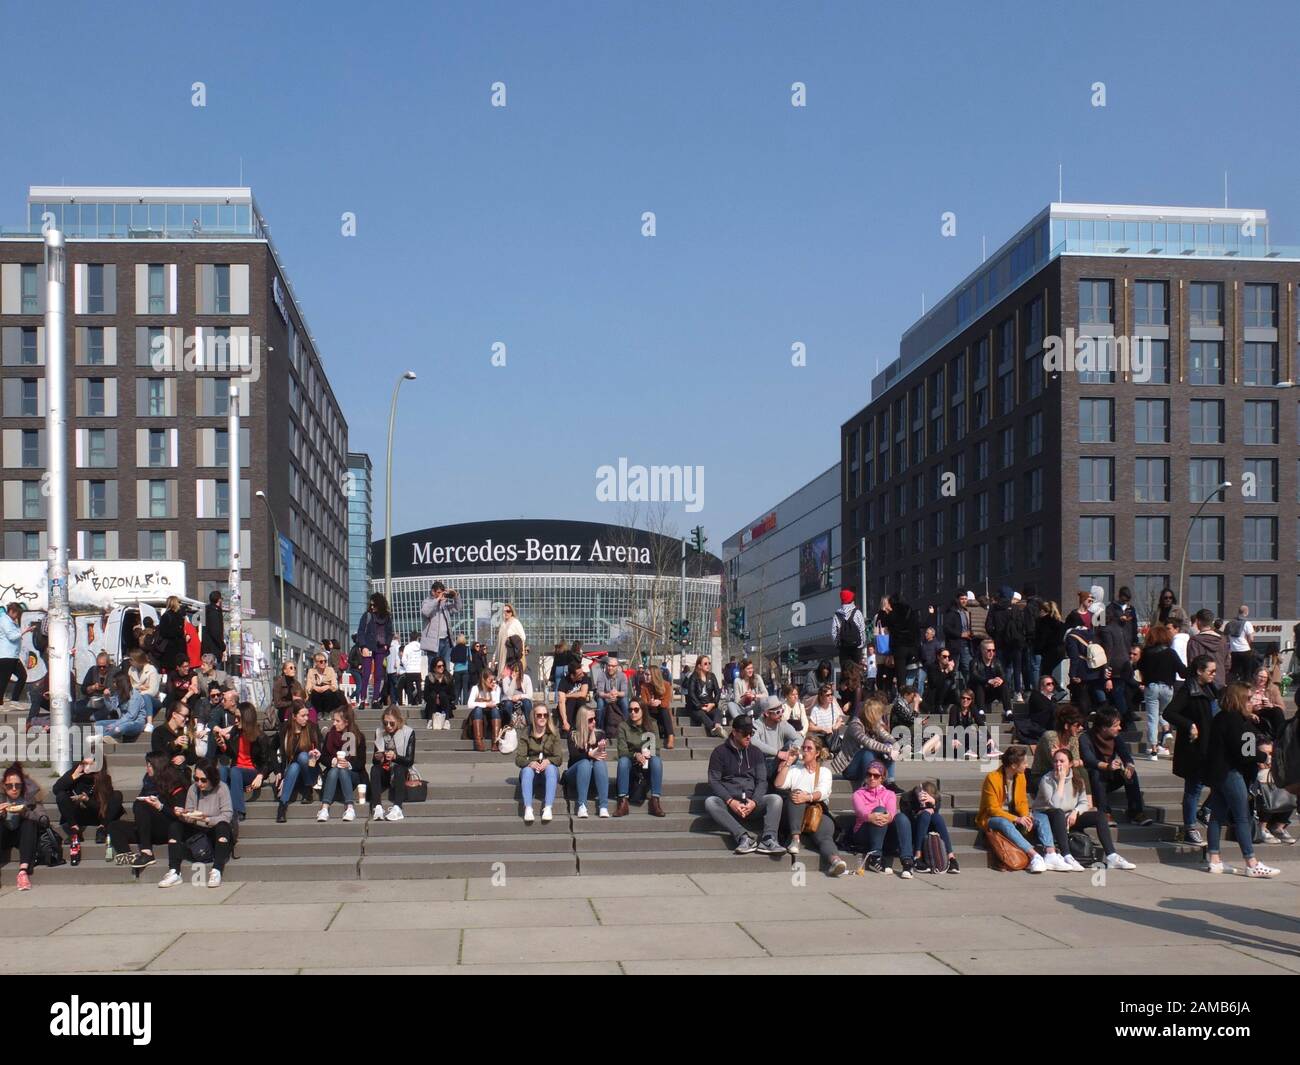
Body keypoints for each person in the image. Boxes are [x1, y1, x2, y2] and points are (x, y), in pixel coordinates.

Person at [1202, 682, 1279, 876]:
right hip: (1231, 772)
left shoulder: (1221, 717)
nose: (1251, 700)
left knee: (1217, 816)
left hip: (1218, 772)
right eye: (1248, 697)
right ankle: (1251, 862)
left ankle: (1215, 859)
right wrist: (1264, 757)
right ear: (1238, 699)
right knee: (1242, 816)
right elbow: (1245, 752)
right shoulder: (1237, 721)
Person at [1033, 747, 1135, 870]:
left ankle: (1111, 856)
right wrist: (1060, 781)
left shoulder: (1077, 779)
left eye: (1061, 761)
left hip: (1069, 817)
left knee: (1100, 816)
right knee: (1059, 812)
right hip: (1051, 817)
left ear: (1070, 764)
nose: (1058, 764)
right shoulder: (1047, 779)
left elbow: (1084, 802)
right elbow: (1055, 805)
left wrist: (1075, 812)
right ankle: (1067, 856)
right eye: (1055, 761)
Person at [703, 715, 783, 854]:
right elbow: (714, 781)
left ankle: (768, 839)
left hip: (752, 804)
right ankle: (743, 837)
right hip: (730, 806)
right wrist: (730, 801)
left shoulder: (756, 752)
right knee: (711, 802)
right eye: (745, 733)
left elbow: (762, 781)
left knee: (776, 799)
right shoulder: (719, 752)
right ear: (734, 732)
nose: (749, 737)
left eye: (751, 733)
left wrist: (754, 801)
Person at [775, 734, 848, 876]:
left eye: (809, 748)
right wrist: (788, 762)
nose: (805, 751)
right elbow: (778, 784)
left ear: (817, 753)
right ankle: (795, 839)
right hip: (793, 812)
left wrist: (807, 797)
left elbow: (823, 792)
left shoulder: (824, 772)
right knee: (796, 795)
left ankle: (835, 860)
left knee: (825, 835)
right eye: (804, 748)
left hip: (816, 812)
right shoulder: (795, 769)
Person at [159, 757, 234, 888]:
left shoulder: (222, 788)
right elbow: (189, 814)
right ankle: (174, 871)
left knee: (223, 827)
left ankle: (217, 870)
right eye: (196, 778)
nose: (199, 783)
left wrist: (207, 819)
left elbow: (227, 815)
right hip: (196, 829)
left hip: (213, 828)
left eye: (203, 780)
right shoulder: (193, 789)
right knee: (175, 826)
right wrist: (183, 814)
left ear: (212, 778)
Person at [110, 753, 187, 872]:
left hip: (166, 828)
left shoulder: (175, 785)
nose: (147, 769)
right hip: (146, 828)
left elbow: (179, 816)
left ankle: (147, 852)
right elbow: (139, 803)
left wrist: (160, 806)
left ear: (158, 766)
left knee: (142, 806)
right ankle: (128, 855)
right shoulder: (149, 782)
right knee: (114, 826)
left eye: (149, 766)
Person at [976, 746, 1047, 873]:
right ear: (1014, 765)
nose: (1027, 765)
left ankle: (1051, 853)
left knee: (1042, 818)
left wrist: (1026, 816)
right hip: (992, 818)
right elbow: (993, 810)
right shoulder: (992, 778)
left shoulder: (1020, 776)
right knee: (1005, 823)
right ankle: (1034, 855)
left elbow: (1022, 801)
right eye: (1024, 763)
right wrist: (1017, 819)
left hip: (1014, 815)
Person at [1079, 708, 1155, 826]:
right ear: (1104, 727)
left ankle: (1136, 812)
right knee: (1095, 772)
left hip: (1109, 776)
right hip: (1092, 782)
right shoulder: (1085, 737)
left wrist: (1129, 765)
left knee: (1131, 773)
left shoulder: (1116, 737)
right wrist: (1107, 766)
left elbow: (1125, 754)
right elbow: (1089, 760)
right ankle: (1104, 813)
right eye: (1116, 726)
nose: (1119, 728)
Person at [850, 761, 914, 876]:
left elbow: (891, 813)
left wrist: (887, 817)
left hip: (884, 832)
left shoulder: (890, 794)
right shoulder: (858, 794)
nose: (872, 778)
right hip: (863, 833)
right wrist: (871, 816)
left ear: (882, 778)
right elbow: (861, 812)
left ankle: (907, 861)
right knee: (879, 810)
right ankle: (875, 857)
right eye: (869, 774)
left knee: (901, 817)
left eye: (876, 776)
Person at [217, 702, 278, 822]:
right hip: (237, 770)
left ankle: (238, 810)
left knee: (234, 771)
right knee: (223, 770)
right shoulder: (236, 732)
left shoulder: (261, 737)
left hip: (252, 772)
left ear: (247, 718)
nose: (235, 720)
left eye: (238, 718)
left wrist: (261, 776)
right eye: (235, 717)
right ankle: (220, 806)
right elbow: (233, 754)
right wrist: (224, 746)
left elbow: (268, 761)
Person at [52, 756, 123, 856]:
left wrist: (87, 800)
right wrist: (72, 777)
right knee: (61, 796)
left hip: (97, 815)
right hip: (77, 816)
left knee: (117, 795)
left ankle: (102, 828)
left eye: (91, 764)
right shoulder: (75, 772)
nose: (87, 767)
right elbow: (56, 789)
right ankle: (74, 830)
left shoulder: (104, 778)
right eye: (85, 763)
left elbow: (103, 807)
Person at [832, 691, 898, 786]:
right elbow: (868, 742)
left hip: (864, 765)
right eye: (879, 713)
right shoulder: (855, 725)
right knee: (867, 751)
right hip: (849, 768)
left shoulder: (874, 724)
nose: (881, 716)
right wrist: (888, 749)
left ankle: (890, 783)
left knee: (889, 747)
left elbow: (886, 735)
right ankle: (867, 783)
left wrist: (895, 745)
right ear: (873, 714)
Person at [1137, 622, 1182, 759]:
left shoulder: (1146, 653)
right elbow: (1182, 670)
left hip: (1151, 687)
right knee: (1164, 712)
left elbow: (1140, 666)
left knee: (1152, 717)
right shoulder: (1171, 653)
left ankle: (1154, 749)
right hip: (1167, 687)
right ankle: (1167, 732)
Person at [0, 763, 49, 890]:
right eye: (10, 786)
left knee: (29, 823)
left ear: (23, 785)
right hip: (4, 835)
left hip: (22, 837)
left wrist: (26, 813)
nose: (14, 789)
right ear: (4, 786)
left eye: (18, 785)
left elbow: (44, 820)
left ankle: (23, 871)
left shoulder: (30, 798)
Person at [614, 699, 665, 817]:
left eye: (636, 710)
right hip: (631, 765)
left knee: (657, 760)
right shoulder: (623, 726)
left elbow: (656, 749)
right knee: (622, 761)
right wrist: (635, 755)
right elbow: (622, 751)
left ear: (643, 711)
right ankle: (622, 801)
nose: (633, 712)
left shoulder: (652, 724)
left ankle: (655, 801)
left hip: (648, 764)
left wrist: (646, 755)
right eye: (630, 710)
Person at [516, 704, 563, 823]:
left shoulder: (554, 732)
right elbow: (519, 759)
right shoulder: (526, 732)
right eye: (539, 715)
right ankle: (528, 808)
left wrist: (548, 761)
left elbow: (559, 758)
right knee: (526, 770)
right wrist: (530, 763)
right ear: (533, 717)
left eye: (545, 715)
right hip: (533, 771)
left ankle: (548, 807)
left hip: (549, 771)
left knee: (551, 768)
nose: (542, 718)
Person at [276, 704, 323, 823]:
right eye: (303, 715)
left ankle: (308, 788)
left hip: (310, 769)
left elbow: (319, 748)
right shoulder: (285, 729)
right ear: (294, 716)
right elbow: (273, 749)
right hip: (293, 771)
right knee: (294, 766)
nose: (306, 718)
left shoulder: (312, 727)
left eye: (307, 715)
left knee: (302, 756)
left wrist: (317, 754)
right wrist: (279, 772)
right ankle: (282, 805)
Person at [318, 707, 365, 822]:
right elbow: (323, 757)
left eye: (337, 721)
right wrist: (333, 761)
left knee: (343, 770)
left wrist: (348, 764)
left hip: (352, 774)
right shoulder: (330, 735)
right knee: (335, 770)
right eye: (334, 720)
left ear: (346, 722)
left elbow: (361, 762)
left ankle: (349, 807)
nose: (334, 723)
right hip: (332, 775)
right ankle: (324, 808)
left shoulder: (358, 737)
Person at [901, 781, 959, 873]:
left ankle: (951, 857)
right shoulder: (906, 798)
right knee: (925, 815)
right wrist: (917, 811)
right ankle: (917, 855)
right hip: (913, 829)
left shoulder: (936, 798)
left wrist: (934, 804)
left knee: (937, 817)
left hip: (928, 829)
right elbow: (905, 820)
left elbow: (933, 814)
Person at [566, 706, 611, 818]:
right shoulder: (573, 735)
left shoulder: (599, 734)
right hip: (574, 773)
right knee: (585, 763)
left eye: (594, 719)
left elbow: (599, 756)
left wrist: (600, 750)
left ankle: (603, 806)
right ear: (582, 721)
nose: (594, 722)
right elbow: (575, 756)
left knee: (600, 763)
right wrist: (589, 754)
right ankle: (582, 805)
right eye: (590, 720)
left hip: (592, 774)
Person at [371, 708, 415, 822]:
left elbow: (409, 760)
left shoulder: (408, 732)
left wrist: (396, 757)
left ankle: (398, 807)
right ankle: (377, 806)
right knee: (374, 769)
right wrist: (378, 757)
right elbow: (374, 761)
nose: (388, 726)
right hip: (385, 768)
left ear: (399, 721)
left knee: (399, 768)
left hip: (400, 770)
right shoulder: (379, 731)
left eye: (392, 723)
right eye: (385, 723)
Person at [1029, 703, 1086, 791]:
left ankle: (1088, 803)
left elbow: (1076, 762)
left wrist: (1075, 762)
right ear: (1067, 726)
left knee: (1082, 772)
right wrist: (1074, 762)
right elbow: (1056, 764)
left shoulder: (1073, 739)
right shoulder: (1050, 737)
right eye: (1077, 725)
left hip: (1063, 773)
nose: (1081, 728)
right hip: (1043, 775)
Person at [354, 593, 394, 708]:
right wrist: (363, 646)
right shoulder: (367, 616)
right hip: (368, 647)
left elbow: (390, 632)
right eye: (370, 605)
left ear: (380, 604)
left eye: (374, 605)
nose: (372, 607)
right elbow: (361, 631)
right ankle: (362, 700)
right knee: (366, 674)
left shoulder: (386, 617)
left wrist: (387, 644)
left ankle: (375, 699)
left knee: (378, 674)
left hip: (381, 648)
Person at [751, 695, 803, 780]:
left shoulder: (782, 724)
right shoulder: (757, 724)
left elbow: (798, 738)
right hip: (763, 763)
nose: (781, 714)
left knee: (792, 747)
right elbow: (754, 742)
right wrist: (778, 753)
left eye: (782, 710)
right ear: (767, 713)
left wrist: (792, 750)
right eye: (778, 712)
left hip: (780, 762)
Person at [96, 671, 152, 742]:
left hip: (135, 723)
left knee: (119, 728)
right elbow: (112, 708)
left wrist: (115, 724)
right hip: (121, 721)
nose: (113, 684)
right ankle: (111, 737)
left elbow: (131, 716)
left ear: (120, 683)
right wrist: (106, 698)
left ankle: (101, 737)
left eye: (114, 682)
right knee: (98, 724)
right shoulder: (118, 693)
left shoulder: (135, 696)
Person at [0, 604, 36, 708]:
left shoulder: (11, 621)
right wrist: (25, 631)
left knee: (22, 676)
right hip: (6, 656)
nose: (17, 616)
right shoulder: (5, 621)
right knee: (4, 679)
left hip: (13, 656)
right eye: (16, 613)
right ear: (11, 611)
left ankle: (14, 699)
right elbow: (12, 637)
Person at [419, 582, 460, 672]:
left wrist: (456, 595)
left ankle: (445, 685)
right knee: (433, 667)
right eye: (438, 592)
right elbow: (425, 612)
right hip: (434, 642)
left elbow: (457, 608)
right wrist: (437, 600)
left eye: (442, 592)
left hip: (446, 640)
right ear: (433, 592)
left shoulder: (444, 605)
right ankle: (432, 685)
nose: (441, 594)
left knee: (446, 667)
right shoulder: (427, 602)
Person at [684, 655, 723, 737]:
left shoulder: (712, 676)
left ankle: (717, 727)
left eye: (709, 663)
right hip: (696, 708)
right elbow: (691, 694)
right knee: (701, 714)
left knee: (718, 711)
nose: (708, 665)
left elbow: (718, 692)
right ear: (699, 665)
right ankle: (713, 728)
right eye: (705, 663)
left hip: (709, 705)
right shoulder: (693, 677)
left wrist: (713, 704)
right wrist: (700, 706)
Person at [151, 699, 197, 769]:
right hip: (164, 774)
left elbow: (193, 757)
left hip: (182, 774)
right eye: (185, 716)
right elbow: (158, 755)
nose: (187, 719)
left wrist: (184, 758)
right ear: (174, 714)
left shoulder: (187, 732)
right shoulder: (159, 731)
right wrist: (174, 744)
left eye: (188, 716)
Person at [638, 666, 675, 749]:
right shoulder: (644, 686)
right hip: (651, 711)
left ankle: (671, 736)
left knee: (664, 710)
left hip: (661, 712)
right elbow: (643, 702)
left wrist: (659, 702)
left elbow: (666, 703)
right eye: (645, 674)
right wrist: (650, 703)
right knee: (645, 710)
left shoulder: (666, 685)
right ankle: (649, 738)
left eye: (648, 674)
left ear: (654, 675)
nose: (645, 676)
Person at [831, 589, 867, 674]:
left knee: (845, 671)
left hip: (843, 647)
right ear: (851, 600)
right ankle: (855, 685)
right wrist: (861, 645)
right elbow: (862, 629)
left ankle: (845, 685)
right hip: (855, 647)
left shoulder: (837, 615)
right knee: (855, 671)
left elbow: (834, 632)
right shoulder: (857, 612)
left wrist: (837, 644)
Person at [1187, 609, 1230, 681]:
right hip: (1219, 680)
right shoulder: (1222, 640)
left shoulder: (1194, 641)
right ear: (1211, 622)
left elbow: (1192, 663)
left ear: (1198, 621)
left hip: (1201, 683)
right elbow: (1227, 663)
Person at [1018, 675, 1061, 746]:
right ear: (1041, 686)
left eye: (1052, 683)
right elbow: (1043, 708)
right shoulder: (1035, 695)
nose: (1051, 685)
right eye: (1048, 684)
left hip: (1049, 723)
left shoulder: (1052, 698)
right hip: (1037, 724)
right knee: (1054, 710)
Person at [592, 655, 629, 732]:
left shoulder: (623, 676)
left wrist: (616, 694)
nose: (610, 668)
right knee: (600, 701)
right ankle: (600, 728)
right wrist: (608, 695)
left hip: (618, 698)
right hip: (605, 698)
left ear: (617, 667)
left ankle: (627, 726)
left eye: (612, 666)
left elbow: (624, 692)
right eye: (608, 666)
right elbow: (599, 692)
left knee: (625, 700)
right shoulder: (602, 675)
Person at [554, 659, 590, 737]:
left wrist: (567, 695)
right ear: (572, 675)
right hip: (567, 709)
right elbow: (561, 701)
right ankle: (566, 727)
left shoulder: (584, 677)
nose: (582, 675)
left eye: (582, 672)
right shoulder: (564, 681)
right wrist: (565, 721)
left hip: (579, 707)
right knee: (570, 701)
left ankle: (582, 729)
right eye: (579, 674)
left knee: (580, 700)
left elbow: (583, 694)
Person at [154, 596, 188, 673]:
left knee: (171, 672)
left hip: (170, 649)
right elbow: (179, 631)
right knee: (179, 671)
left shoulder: (166, 616)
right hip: (177, 648)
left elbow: (163, 632)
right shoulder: (179, 616)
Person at [304, 652, 342, 718]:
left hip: (329, 696)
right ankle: (318, 712)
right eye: (321, 661)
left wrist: (328, 686)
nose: (324, 663)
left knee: (328, 692)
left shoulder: (330, 670)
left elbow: (335, 686)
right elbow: (308, 687)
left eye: (325, 661)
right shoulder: (311, 671)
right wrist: (314, 687)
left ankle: (327, 712)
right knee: (315, 692)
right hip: (316, 696)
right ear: (316, 663)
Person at [422, 657, 456, 731]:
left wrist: (440, 697)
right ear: (434, 668)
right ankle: (431, 720)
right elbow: (426, 695)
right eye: (439, 666)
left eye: (443, 665)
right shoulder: (429, 678)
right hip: (432, 704)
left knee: (442, 694)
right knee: (433, 694)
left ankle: (446, 721)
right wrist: (436, 697)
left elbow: (453, 696)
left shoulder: (449, 678)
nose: (442, 668)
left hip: (445, 704)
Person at [494, 603, 526, 678]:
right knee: (502, 677)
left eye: (508, 611)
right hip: (502, 655)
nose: (506, 613)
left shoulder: (515, 622)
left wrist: (522, 653)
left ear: (512, 612)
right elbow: (498, 643)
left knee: (509, 676)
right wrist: (494, 657)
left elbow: (523, 637)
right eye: (504, 611)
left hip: (511, 656)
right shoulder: (502, 624)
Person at [127, 647, 162, 714]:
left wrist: (137, 693)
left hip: (151, 700)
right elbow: (130, 687)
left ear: (138, 660)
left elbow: (153, 691)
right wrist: (139, 687)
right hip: (135, 699)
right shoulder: (131, 670)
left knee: (145, 697)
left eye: (131, 659)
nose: (129, 661)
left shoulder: (152, 670)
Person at [1225, 606, 1256, 682]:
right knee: (1247, 672)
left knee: (1234, 672)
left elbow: (1226, 637)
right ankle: (1246, 689)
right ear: (1247, 612)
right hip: (1245, 650)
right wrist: (1248, 643)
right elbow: (1251, 638)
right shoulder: (1247, 623)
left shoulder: (1230, 623)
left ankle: (1232, 687)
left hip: (1234, 651)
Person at [396, 631, 424, 707]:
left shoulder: (407, 647)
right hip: (417, 669)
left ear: (410, 638)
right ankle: (420, 701)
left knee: (409, 687)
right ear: (417, 638)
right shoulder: (420, 646)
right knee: (418, 686)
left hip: (409, 670)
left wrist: (407, 666)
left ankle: (410, 702)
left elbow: (404, 659)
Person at [201, 590, 226, 662]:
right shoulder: (214, 612)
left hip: (206, 648)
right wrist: (222, 646)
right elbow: (215, 632)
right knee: (214, 671)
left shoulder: (206, 610)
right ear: (219, 600)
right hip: (214, 650)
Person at [451, 634, 471, 705]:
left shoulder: (454, 649)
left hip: (457, 670)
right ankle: (465, 704)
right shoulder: (467, 648)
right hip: (465, 669)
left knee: (457, 688)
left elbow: (452, 659)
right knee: (465, 688)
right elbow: (469, 658)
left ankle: (456, 703)